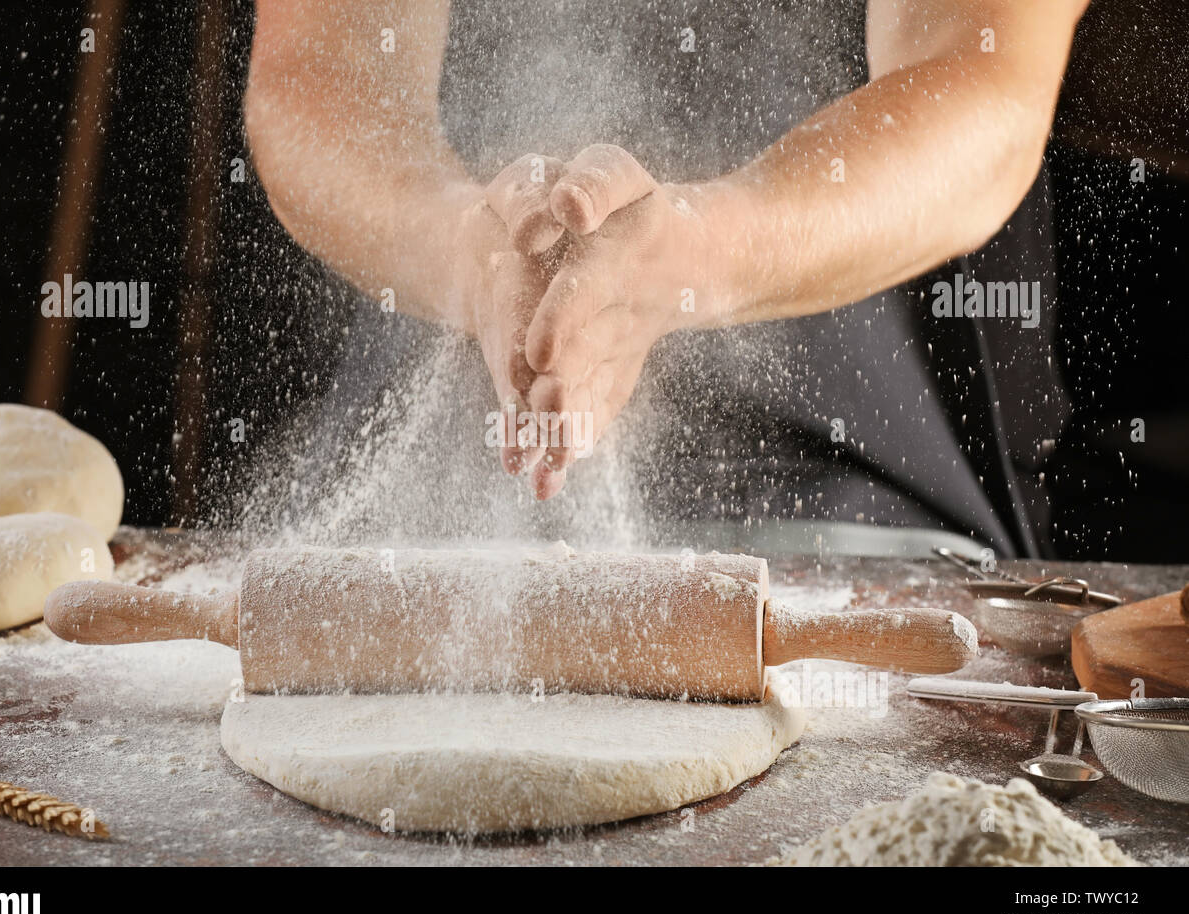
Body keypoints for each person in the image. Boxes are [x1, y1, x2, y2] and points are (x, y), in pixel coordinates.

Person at [244, 0, 1090, 556]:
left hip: (859, 523)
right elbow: (318, 73)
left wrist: (691, 257)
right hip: (417, 518)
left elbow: (985, 90)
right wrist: (465, 251)